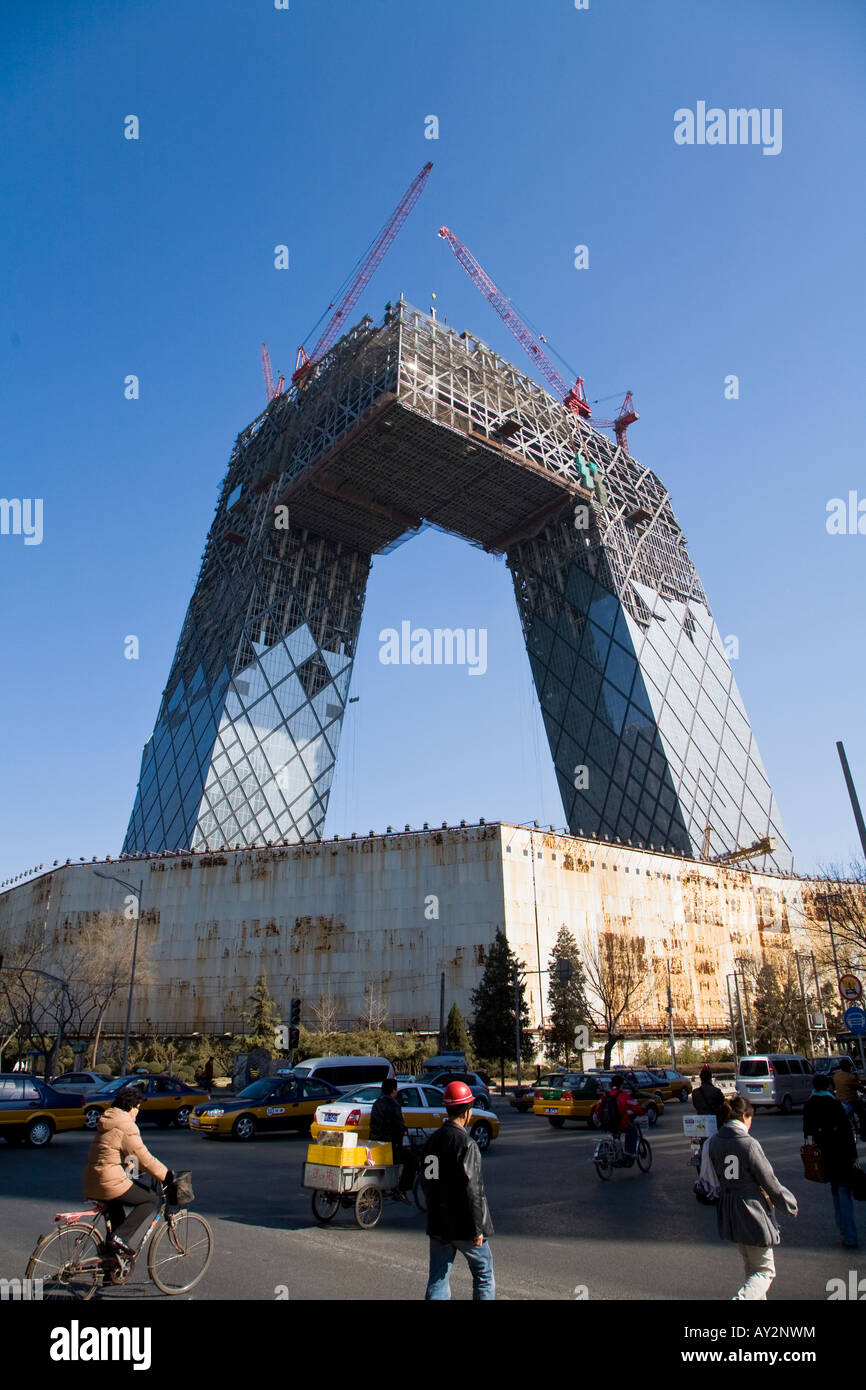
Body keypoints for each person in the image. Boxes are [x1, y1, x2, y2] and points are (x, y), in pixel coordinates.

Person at [707, 1096, 798, 1300]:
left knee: (751, 1265)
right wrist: (788, 1204)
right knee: (765, 1270)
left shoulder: (714, 1141)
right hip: (752, 1210)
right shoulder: (748, 1144)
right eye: (750, 1119)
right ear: (744, 1117)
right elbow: (769, 1180)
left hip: (729, 1209)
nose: (751, 1124)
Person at [421, 1080, 494, 1300]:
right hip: (464, 1226)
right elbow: (473, 1190)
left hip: (438, 1223)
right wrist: (477, 1229)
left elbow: (427, 1180)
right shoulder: (467, 1144)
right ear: (467, 1112)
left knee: (438, 1278)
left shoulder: (433, 1141)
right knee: (483, 1274)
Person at [83, 1086, 171, 1258]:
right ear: (131, 1106)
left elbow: (122, 1156)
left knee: (118, 1216)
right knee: (150, 1199)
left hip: (92, 1180)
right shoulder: (126, 1126)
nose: (137, 1113)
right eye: (137, 1108)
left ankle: (111, 1265)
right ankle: (120, 1238)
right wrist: (166, 1176)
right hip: (109, 1183)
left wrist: (135, 1172)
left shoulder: (108, 1120)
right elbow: (143, 1157)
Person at [804, 1074, 859, 1248]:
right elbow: (847, 1131)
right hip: (841, 1154)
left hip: (824, 1156)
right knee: (843, 1192)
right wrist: (853, 1155)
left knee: (835, 1191)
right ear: (828, 1086)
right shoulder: (835, 1104)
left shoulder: (810, 1104)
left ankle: (842, 1230)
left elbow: (808, 1131)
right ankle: (850, 1235)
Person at [369, 1078, 414, 1200]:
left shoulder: (377, 1103)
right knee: (411, 1159)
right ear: (394, 1090)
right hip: (389, 1147)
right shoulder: (394, 1105)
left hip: (374, 1144)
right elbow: (399, 1128)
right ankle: (401, 1189)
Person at [593, 1075, 643, 1163]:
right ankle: (629, 1153)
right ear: (621, 1085)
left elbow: (598, 1108)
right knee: (632, 1131)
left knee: (615, 1133)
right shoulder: (624, 1096)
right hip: (620, 1123)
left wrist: (601, 1119)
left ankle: (615, 1151)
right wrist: (642, 1112)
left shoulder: (606, 1095)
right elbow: (635, 1108)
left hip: (607, 1123)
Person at [830, 1059, 866, 1135]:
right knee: (862, 1115)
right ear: (849, 1067)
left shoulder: (836, 1076)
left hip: (839, 1100)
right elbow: (860, 1088)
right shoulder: (851, 1077)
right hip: (851, 1100)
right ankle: (863, 1133)